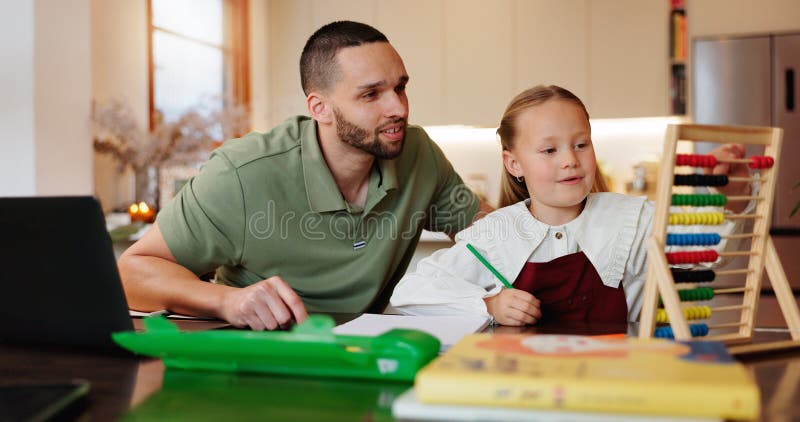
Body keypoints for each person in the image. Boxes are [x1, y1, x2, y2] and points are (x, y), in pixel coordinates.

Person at [118, 21, 490, 330]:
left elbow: (488, 234)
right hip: (258, 360)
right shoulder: (243, 173)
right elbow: (131, 272)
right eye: (371, 95)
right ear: (320, 108)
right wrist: (226, 300)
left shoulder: (419, 152)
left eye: (400, 87)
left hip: (366, 354)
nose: (398, 107)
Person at [390, 85, 753, 326]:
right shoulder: (495, 234)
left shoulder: (633, 219)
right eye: (550, 150)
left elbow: (714, 251)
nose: (570, 160)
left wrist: (722, 188)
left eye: (581, 144)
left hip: (615, 384)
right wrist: (489, 305)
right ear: (513, 163)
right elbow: (410, 294)